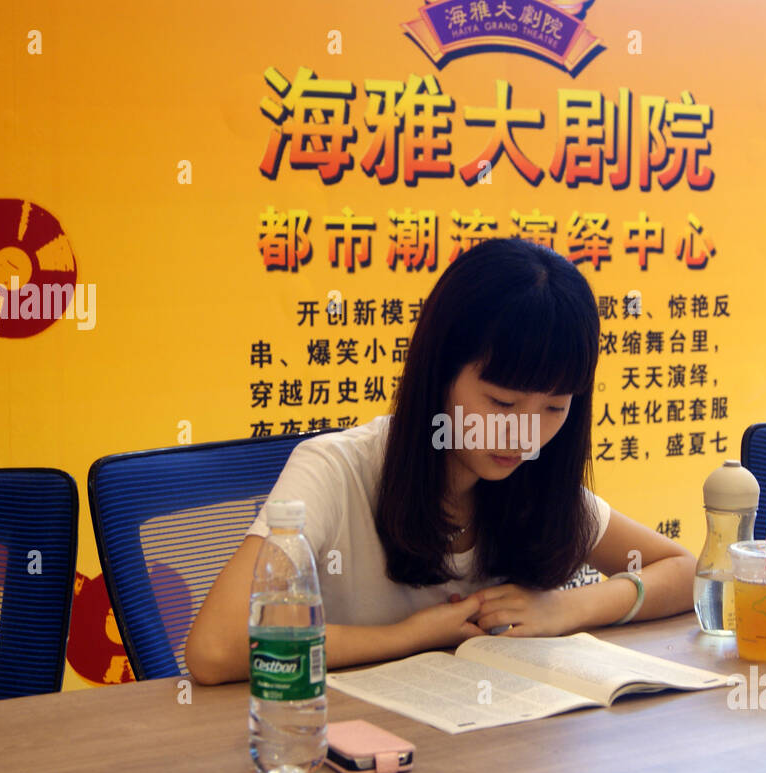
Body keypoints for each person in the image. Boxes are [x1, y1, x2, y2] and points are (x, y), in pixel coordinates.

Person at [186, 238, 696, 683]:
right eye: (502, 403)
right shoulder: (335, 469)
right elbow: (215, 647)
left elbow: (685, 571)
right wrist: (410, 635)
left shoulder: (533, 481)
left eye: (554, 408)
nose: (525, 435)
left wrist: (566, 607)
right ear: (439, 374)